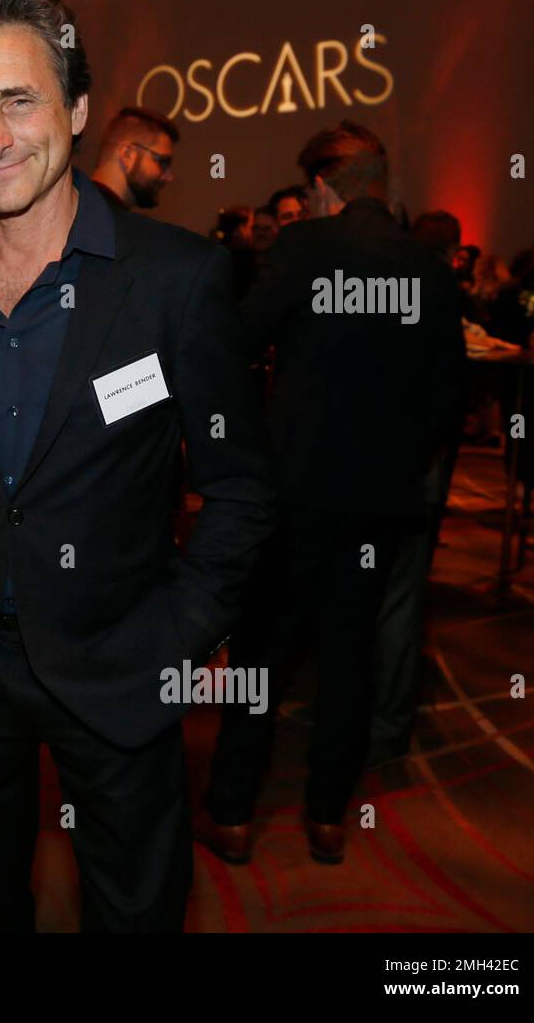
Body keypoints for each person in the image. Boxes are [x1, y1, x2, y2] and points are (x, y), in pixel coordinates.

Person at [0, 0, 275, 932]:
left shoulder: (177, 278)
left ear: (75, 105)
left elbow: (240, 484)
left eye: (18, 102)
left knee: (137, 909)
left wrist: (180, 633)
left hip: (122, 663)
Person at [201, 120, 466, 864]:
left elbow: (238, 343)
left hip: (295, 494)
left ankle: (230, 813)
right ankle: (325, 816)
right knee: (351, 657)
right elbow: (448, 398)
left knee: (264, 652)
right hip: (379, 502)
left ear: (321, 188)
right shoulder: (430, 269)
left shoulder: (305, 248)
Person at [90, 106, 178, 210]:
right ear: (127, 154)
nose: (169, 177)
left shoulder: (80, 204)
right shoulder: (97, 216)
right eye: (163, 162)